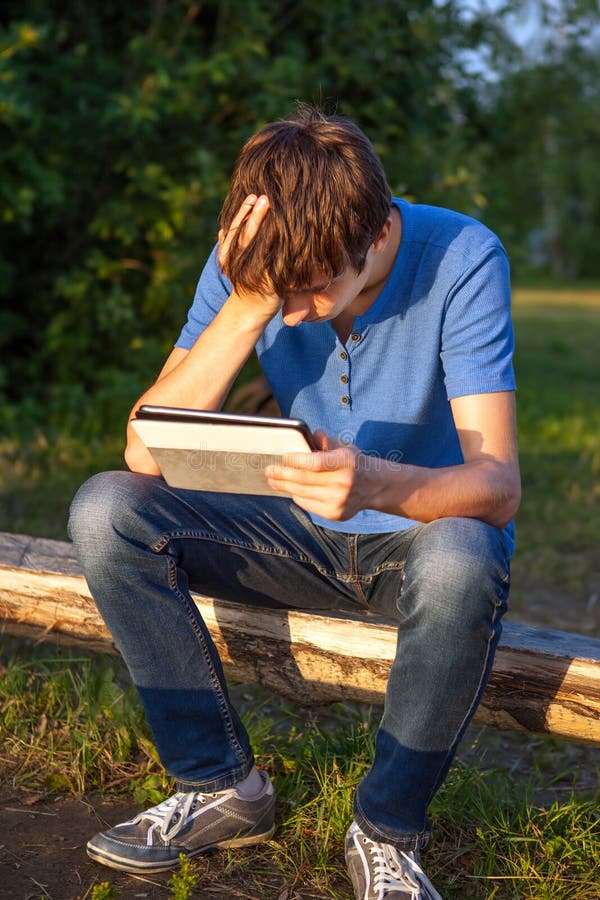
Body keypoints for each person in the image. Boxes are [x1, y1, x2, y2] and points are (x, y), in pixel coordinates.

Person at [68, 104, 520, 900]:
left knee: (463, 556)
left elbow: (497, 487)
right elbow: (142, 450)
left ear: (379, 231)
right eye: (275, 294)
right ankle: (218, 788)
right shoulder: (253, 269)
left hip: (414, 538)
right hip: (290, 531)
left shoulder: (463, 255)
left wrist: (376, 483)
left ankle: (385, 831)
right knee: (107, 508)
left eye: (310, 291)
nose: (294, 312)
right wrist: (244, 302)